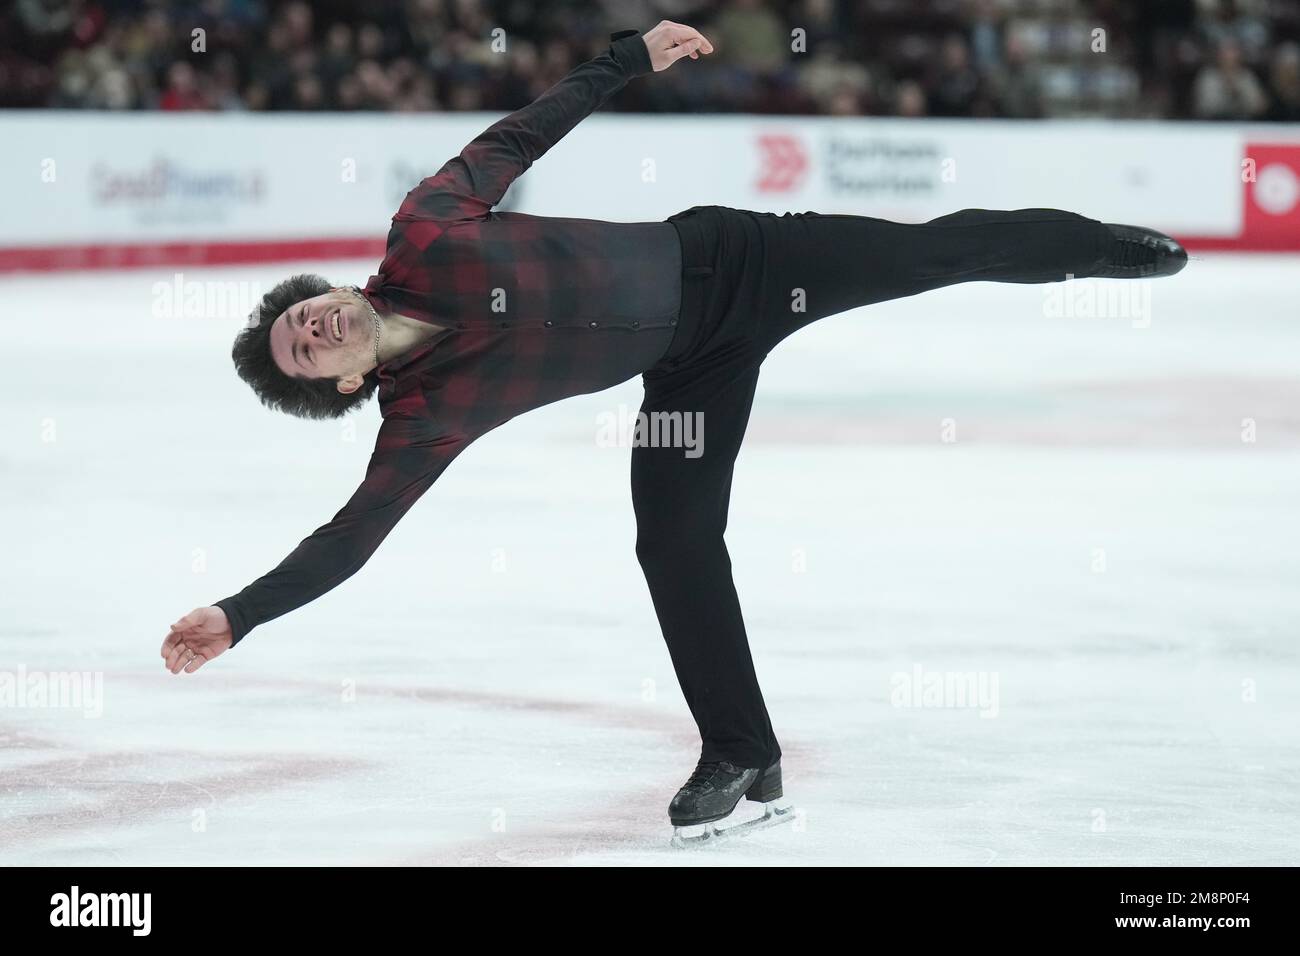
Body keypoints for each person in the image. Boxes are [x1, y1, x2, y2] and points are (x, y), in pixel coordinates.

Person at [160, 21, 1187, 842]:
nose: (313, 327)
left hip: (735, 263)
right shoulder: (420, 417)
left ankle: (1102, 248)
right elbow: (349, 539)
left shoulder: (423, 227)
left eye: (303, 314)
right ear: (338, 385)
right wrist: (238, 612)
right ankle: (743, 751)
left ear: (329, 289)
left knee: (929, 253)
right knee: (673, 542)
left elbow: (518, 135)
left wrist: (627, 58)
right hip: (688, 370)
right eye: (305, 350)